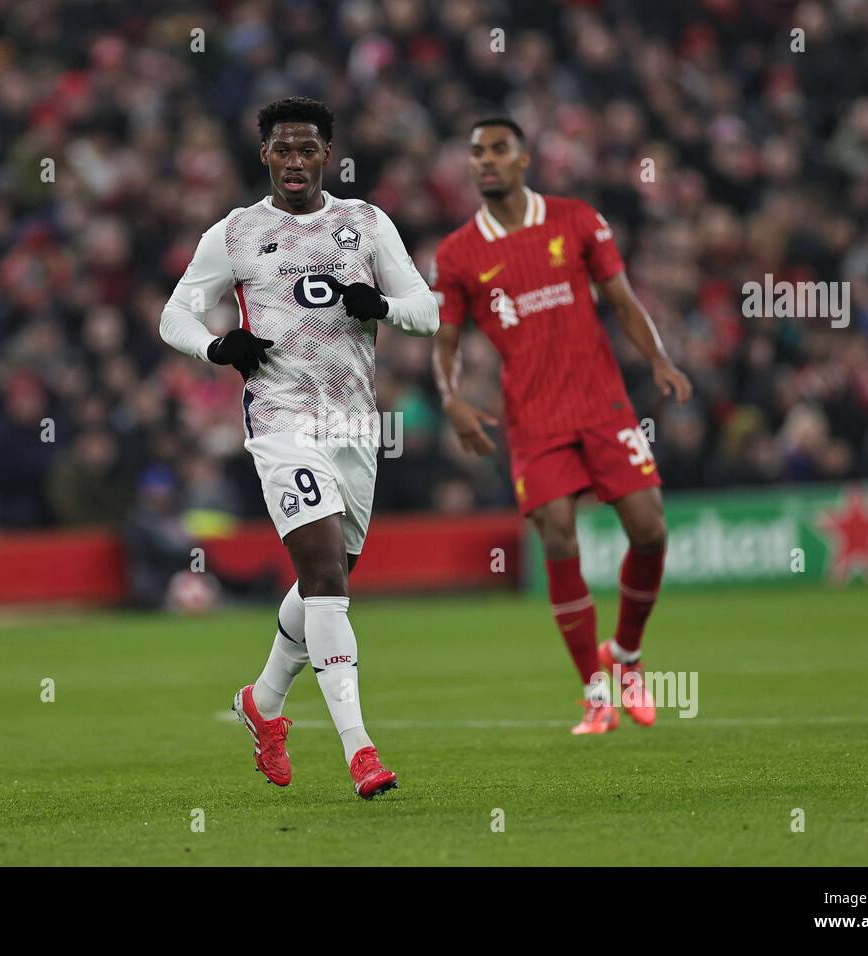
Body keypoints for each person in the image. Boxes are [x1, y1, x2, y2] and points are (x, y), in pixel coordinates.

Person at [159, 97, 439, 798]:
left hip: (354, 427)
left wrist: (384, 308)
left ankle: (263, 703)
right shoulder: (236, 233)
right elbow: (175, 312)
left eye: (307, 150)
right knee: (321, 574)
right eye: (282, 150)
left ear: (327, 155)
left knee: (330, 578)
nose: (294, 162)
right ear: (265, 156)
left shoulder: (366, 222)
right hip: (282, 421)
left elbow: (428, 310)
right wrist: (216, 345)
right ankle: (361, 751)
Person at [431, 119, 693, 734]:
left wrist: (657, 358)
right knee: (557, 536)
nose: (485, 161)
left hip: (603, 404)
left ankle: (625, 655)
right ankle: (594, 692)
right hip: (534, 418)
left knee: (650, 529)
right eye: (476, 152)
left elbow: (623, 301)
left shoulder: (577, 219)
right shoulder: (457, 253)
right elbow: (446, 339)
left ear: (524, 158)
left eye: (498, 149)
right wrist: (450, 399)